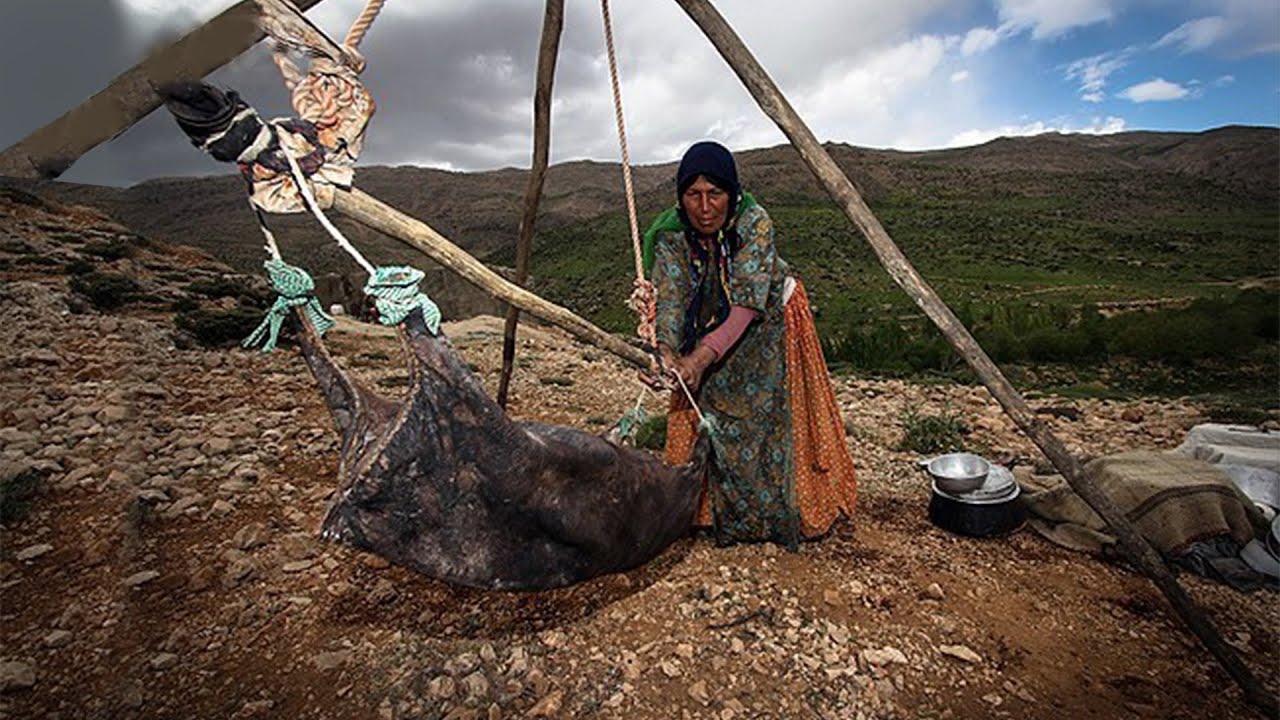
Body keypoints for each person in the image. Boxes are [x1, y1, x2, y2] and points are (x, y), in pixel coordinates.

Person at [643, 140, 858, 549]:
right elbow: (669, 301)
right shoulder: (672, 238)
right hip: (708, 329)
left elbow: (744, 305)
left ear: (732, 194)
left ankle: (785, 512)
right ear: (681, 198)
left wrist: (699, 359)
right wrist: (667, 356)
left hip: (769, 320)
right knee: (701, 404)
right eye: (693, 195)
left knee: (767, 419)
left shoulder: (754, 223)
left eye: (715, 194)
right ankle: (705, 512)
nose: (705, 207)